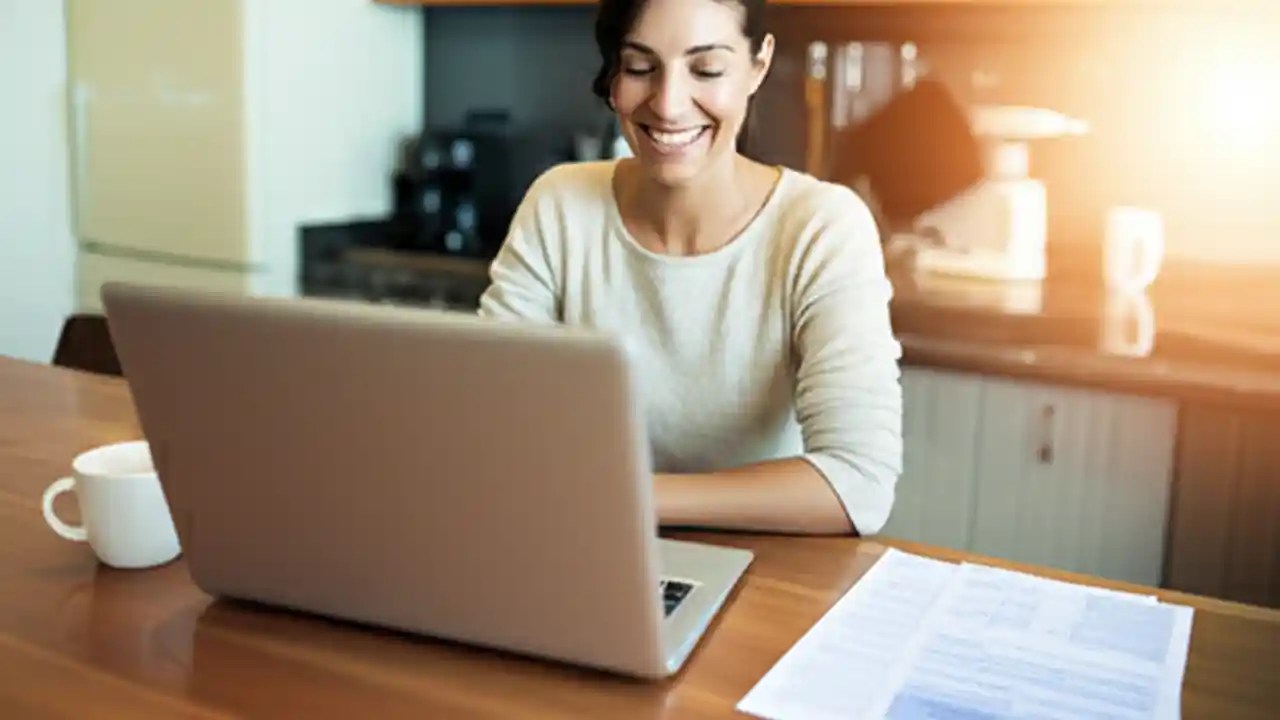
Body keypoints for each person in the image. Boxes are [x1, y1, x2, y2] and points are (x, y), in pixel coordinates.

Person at [477, 0, 902, 536]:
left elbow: (858, 483)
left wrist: (625, 497)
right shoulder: (560, 203)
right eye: (639, 67)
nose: (670, 105)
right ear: (612, 75)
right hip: (581, 547)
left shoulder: (821, 226)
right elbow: (491, 421)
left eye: (707, 69)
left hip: (767, 570)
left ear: (758, 64)